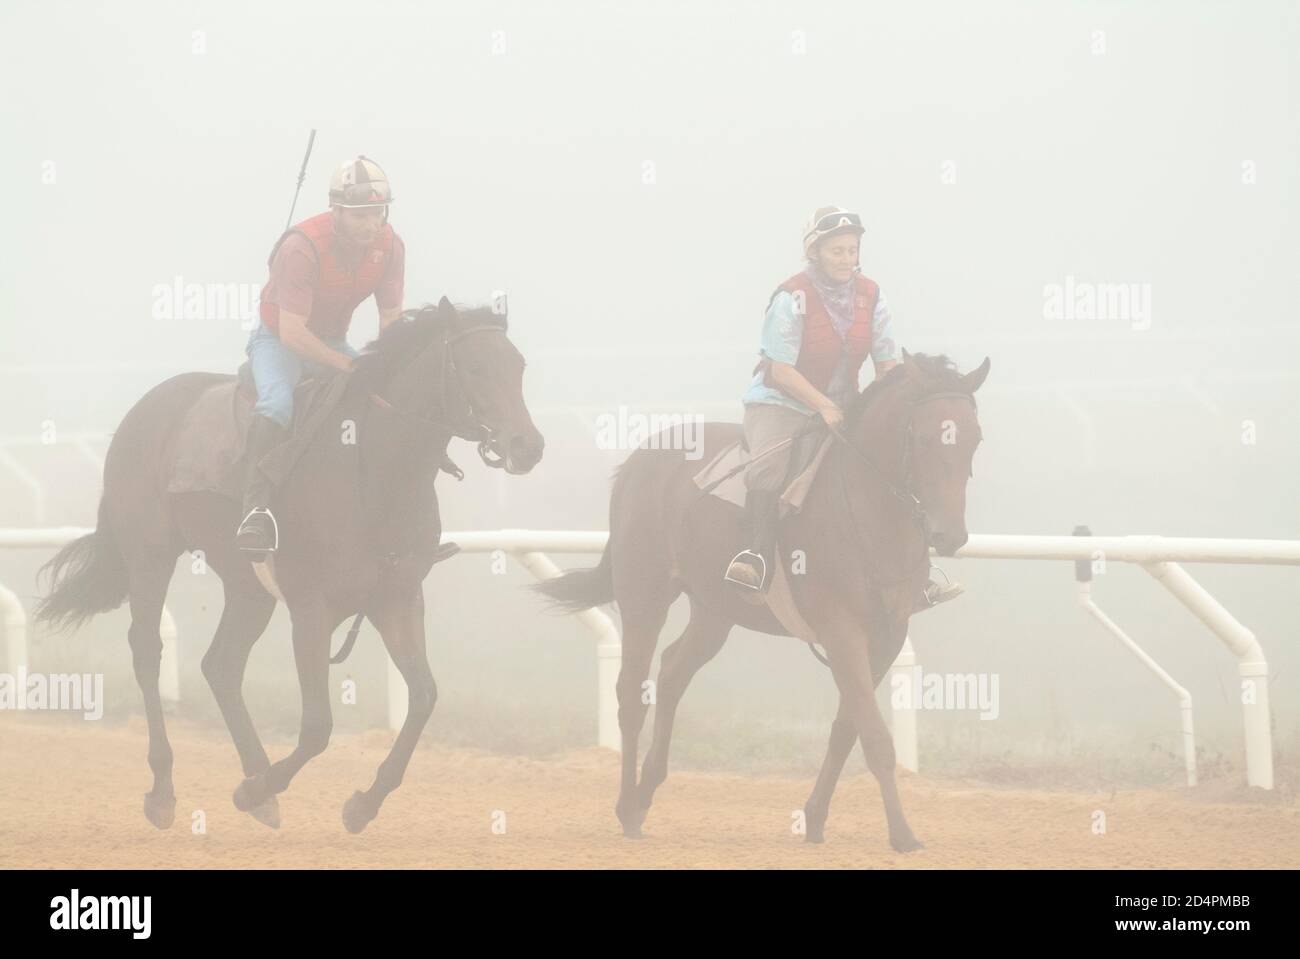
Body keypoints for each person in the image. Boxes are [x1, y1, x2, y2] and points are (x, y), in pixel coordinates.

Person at [724, 205, 964, 611]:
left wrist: (887, 404)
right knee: (769, 467)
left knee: (894, 464)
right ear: (814, 251)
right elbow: (780, 370)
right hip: (780, 402)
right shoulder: (791, 298)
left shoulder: (872, 296)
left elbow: (887, 363)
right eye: (837, 251)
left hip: (844, 403)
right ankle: (756, 557)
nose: (846, 259)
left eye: (852, 250)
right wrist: (823, 406)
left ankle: (916, 577)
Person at [235, 155, 405, 555]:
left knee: (377, 401)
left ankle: (389, 509)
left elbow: (392, 319)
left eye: (377, 213)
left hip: (330, 340)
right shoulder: (301, 248)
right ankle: (254, 511)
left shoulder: (391, 246)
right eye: (360, 215)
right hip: (279, 340)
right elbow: (293, 333)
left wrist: (385, 372)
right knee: (277, 401)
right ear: (337, 211)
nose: (371, 224)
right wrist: (350, 365)